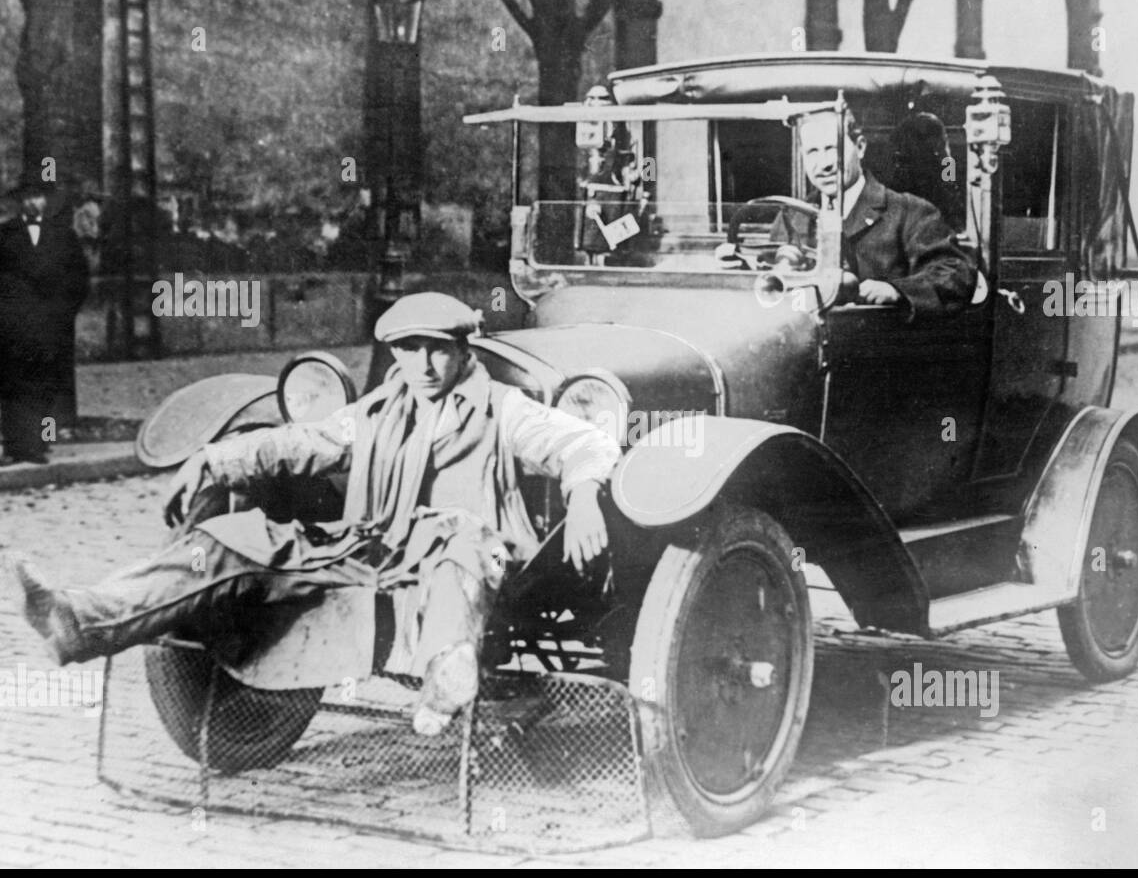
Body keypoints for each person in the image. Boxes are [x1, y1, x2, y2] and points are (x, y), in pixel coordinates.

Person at [3, 292, 622, 736]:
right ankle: (80, 621)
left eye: (436, 351)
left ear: (462, 352)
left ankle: (448, 674)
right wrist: (215, 460)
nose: (424, 367)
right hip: (369, 548)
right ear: (395, 354)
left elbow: (583, 442)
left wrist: (587, 493)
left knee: (459, 548)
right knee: (226, 542)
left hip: (459, 549)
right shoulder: (377, 412)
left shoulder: (502, 406)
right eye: (409, 351)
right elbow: (297, 444)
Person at [774, 109, 976, 321]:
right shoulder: (791, 216)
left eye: (832, 148)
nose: (823, 164)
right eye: (812, 151)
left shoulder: (910, 211)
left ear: (860, 147)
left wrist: (897, 291)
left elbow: (956, 274)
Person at [0, 180, 90, 464]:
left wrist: (63, 315)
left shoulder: (63, 236)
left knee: (44, 385)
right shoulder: (4, 234)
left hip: (49, 327)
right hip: (13, 328)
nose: (33, 203)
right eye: (27, 197)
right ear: (19, 202)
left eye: (38, 197)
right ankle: (17, 445)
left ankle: (38, 442)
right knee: (14, 387)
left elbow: (78, 278)